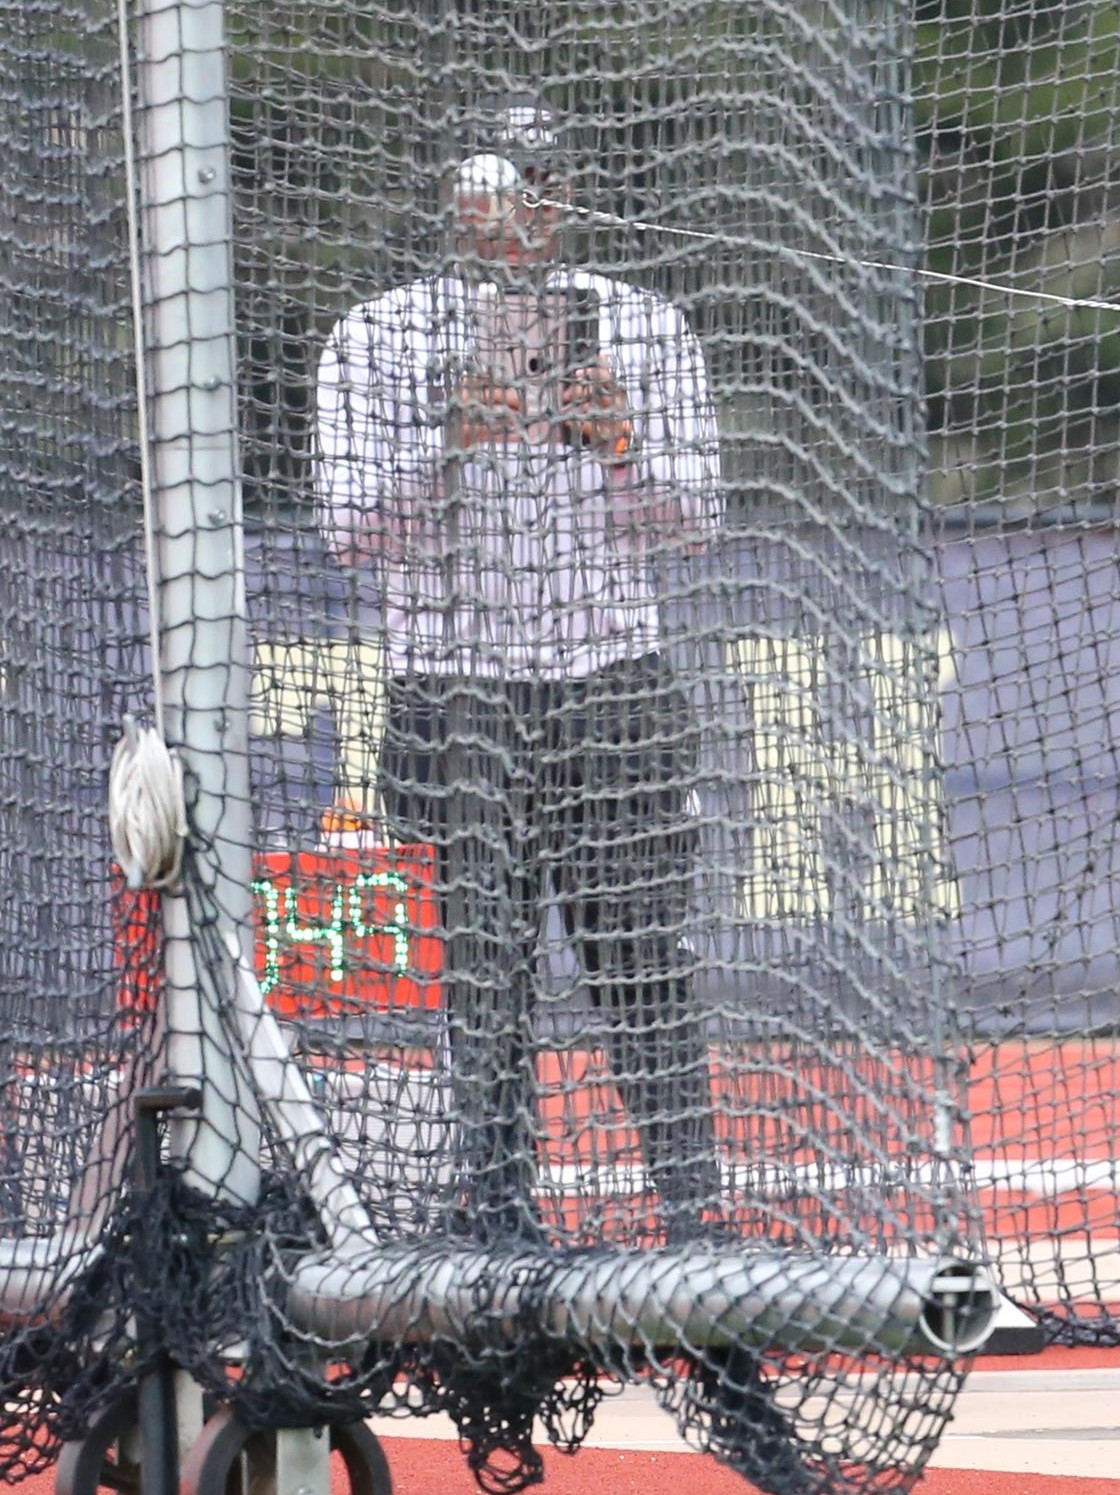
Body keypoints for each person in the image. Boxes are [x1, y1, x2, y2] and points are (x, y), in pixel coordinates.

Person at [312, 91, 724, 1249]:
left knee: (644, 955)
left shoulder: (642, 327)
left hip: (610, 677)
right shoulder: (380, 333)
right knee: (481, 976)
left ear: (569, 197)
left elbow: (696, 520)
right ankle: (495, 1212)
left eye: (539, 189)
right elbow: (347, 529)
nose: (513, 218)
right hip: (454, 685)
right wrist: (452, 439)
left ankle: (694, 1213)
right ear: (453, 200)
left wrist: (619, 446)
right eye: (492, 191)